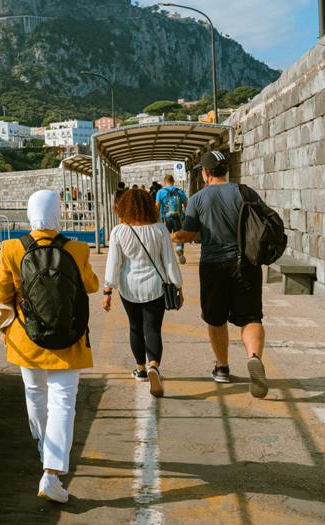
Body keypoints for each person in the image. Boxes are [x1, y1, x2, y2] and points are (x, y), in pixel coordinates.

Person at [0, 190, 100, 504]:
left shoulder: (12, 247)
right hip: (68, 338)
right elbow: (90, 285)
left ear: (29, 213)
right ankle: (51, 474)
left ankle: (43, 444)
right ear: (58, 214)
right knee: (63, 402)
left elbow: (1, 293)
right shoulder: (77, 248)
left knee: (35, 393)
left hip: (28, 338)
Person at [170, 150, 270, 398]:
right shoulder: (245, 192)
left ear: (205, 172)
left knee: (216, 319)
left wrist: (171, 237)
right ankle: (254, 357)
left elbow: (189, 235)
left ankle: (222, 367)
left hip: (213, 265)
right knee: (251, 317)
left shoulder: (198, 198)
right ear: (227, 170)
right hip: (246, 263)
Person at [102, 188, 183, 397]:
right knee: (153, 329)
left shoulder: (119, 231)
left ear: (124, 207)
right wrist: (178, 285)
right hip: (155, 286)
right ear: (148, 205)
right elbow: (169, 261)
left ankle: (140, 369)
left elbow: (114, 263)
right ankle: (153, 365)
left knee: (135, 327)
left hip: (129, 287)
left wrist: (107, 290)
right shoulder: (160, 229)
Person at [156, 174, 188, 263]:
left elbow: (157, 206)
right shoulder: (179, 191)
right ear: (173, 182)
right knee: (179, 235)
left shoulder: (160, 192)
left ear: (165, 182)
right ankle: (179, 248)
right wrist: (185, 215)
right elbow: (186, 204)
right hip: (178, 217)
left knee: (166, 237)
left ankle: (166, 256)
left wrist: (156, 219)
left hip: (165, 218)